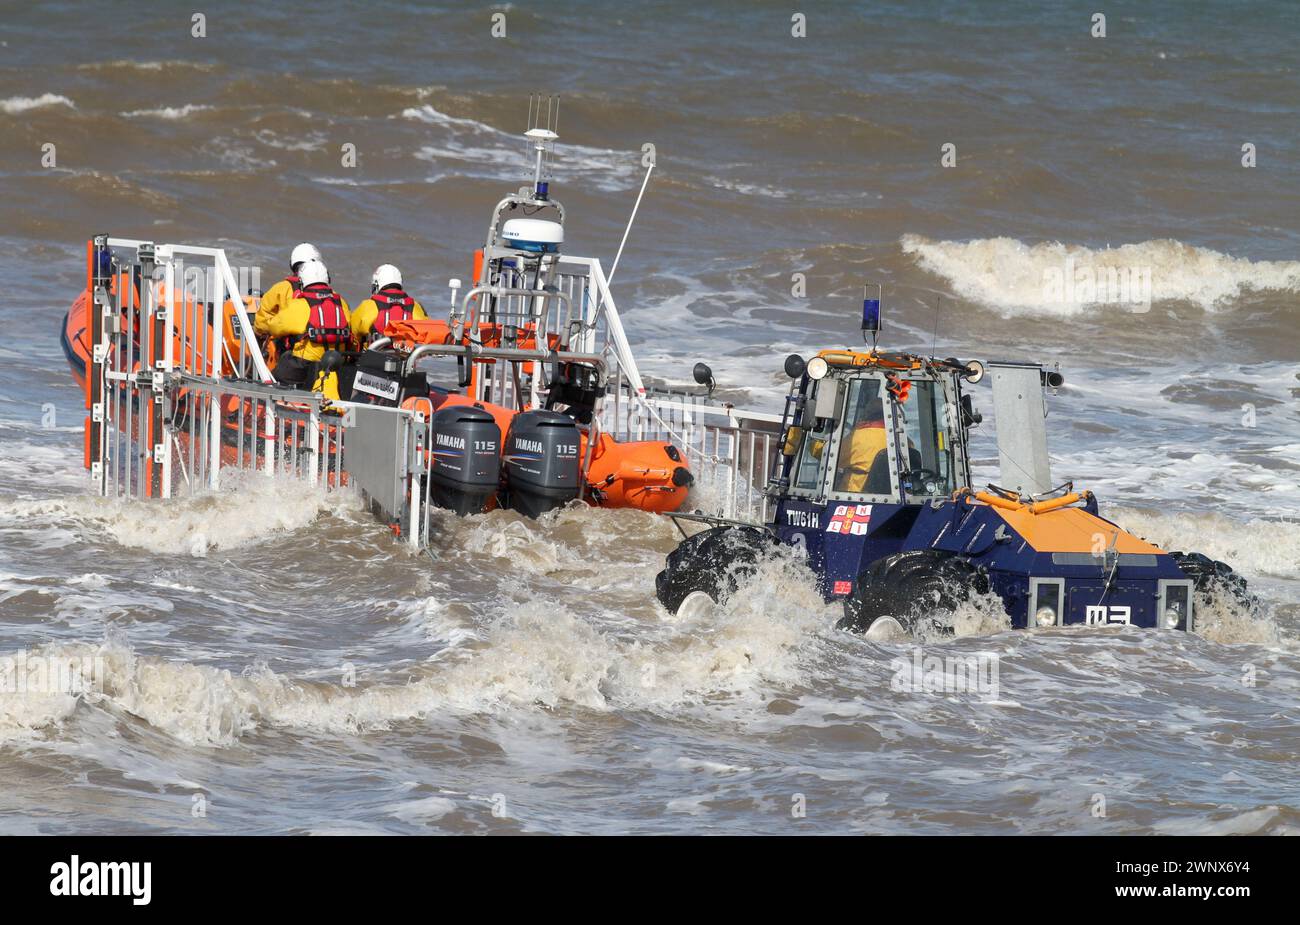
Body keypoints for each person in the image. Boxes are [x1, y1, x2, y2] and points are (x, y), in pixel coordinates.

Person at [266, 258, 351, 400]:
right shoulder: (342, 302)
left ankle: (274, 403)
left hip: (304, 370)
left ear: (301, 282)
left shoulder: (299, 305)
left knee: (283, 360)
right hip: (338, 368)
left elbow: (274, 327)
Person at [254, 242, 322, 349]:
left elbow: (261, 323)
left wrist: (263, 331)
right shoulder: (331, 295)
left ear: (293, 265)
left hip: (291, 350)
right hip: (323, 348)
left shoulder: (281, 289)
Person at [349, 264, 427, 344]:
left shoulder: (368, 306)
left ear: (376, 285)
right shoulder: (415, 307)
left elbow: (353, 334)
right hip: (408, 355)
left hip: (374, 354)